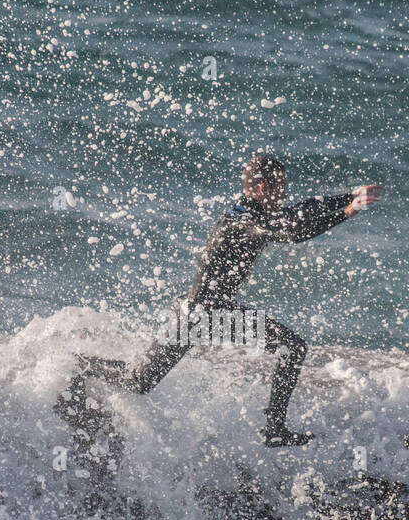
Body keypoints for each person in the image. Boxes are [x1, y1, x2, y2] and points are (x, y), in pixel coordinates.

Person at [73, 154, 382, 447]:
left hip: (203, 310)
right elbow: (294, 234)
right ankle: (80, 366)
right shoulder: (244, 221)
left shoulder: (255, 212)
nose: (286, 193)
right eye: (281, 186)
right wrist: (349, 211)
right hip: (205, 313)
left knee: (140, 380)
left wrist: (350, 195)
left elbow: (301, 211)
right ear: (263, 189)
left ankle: (275, 430)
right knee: (140, 382)